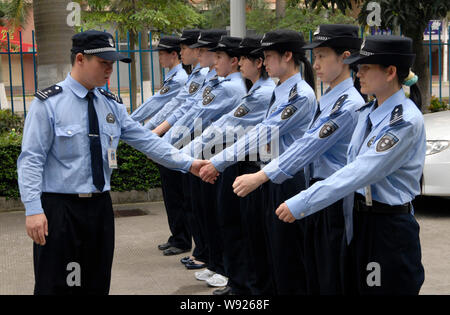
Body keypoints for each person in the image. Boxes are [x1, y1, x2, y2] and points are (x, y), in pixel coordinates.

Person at [17, 30, 208, 295]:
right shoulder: (48, 104)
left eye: (112, 64)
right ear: (80, 59)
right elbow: (31, 159)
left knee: (96, 281)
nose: (109, 70)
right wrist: (33, 209)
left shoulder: (111, 105)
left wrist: (189, 164)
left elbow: (146, 140)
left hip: (99, 208)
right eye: (103, 63)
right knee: (57, 284)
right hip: (60, 209)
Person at [274, 35, 425, 295]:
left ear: (390, 72)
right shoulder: (367, 112)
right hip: (360, 220)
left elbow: (359, 171)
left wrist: (302, 201)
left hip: (387, 229)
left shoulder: (404, 121)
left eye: (366, 68)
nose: (359, 73)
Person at [231, 24, 365, 294]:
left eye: (323, 56)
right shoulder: (328, 99)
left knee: (316, 273)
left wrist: (260, 176)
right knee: (301, 266)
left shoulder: (347, 103)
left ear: (346, 57)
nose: (316, 64)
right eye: (315, 57)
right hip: (312, 190)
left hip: (331, 198)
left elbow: (307, 146)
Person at [200, 29, 317, 294]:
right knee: (267, 253)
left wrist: (218, 162)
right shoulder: (281, 91)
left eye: (268, 55)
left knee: (287, 258)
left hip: (287, 180)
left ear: (287, 56)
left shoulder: (300, 95)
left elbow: (263, 133)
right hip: (270, 177)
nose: (264, 61)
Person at [181, 36, 275, 295]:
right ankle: (238, 281)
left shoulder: (263, 92)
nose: (241, 64)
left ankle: (242, 283)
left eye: (245, 59)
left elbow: (225, 127)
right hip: (231, 160)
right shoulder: (254, 89)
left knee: (240, 227)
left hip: (245, 164)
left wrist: (184, 156)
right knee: (230, 223)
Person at [151, 30, 227, 258]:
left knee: (198, 204)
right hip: (186, 142)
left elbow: (195, 114)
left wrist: (164, 141)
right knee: (187, 199)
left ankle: (200, 250)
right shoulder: (200, 77)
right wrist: (157, 135)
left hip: (200, 145)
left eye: (190, 48)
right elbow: (182, 107)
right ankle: (199, 249)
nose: (189, 52)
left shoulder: (215, 81)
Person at [143, 29, 209, 130]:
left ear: (196, 49)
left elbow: (179, 105)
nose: (180, 53)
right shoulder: (195, 73)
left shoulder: (200, 74)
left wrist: (150, 130)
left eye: (183, 48)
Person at [130, 35, 187, 124]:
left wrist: (129, 122)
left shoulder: (178, 79)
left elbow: (155, 103)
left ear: (173, 54)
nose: (159, 58)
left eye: (161, 54)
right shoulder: (175, 76)